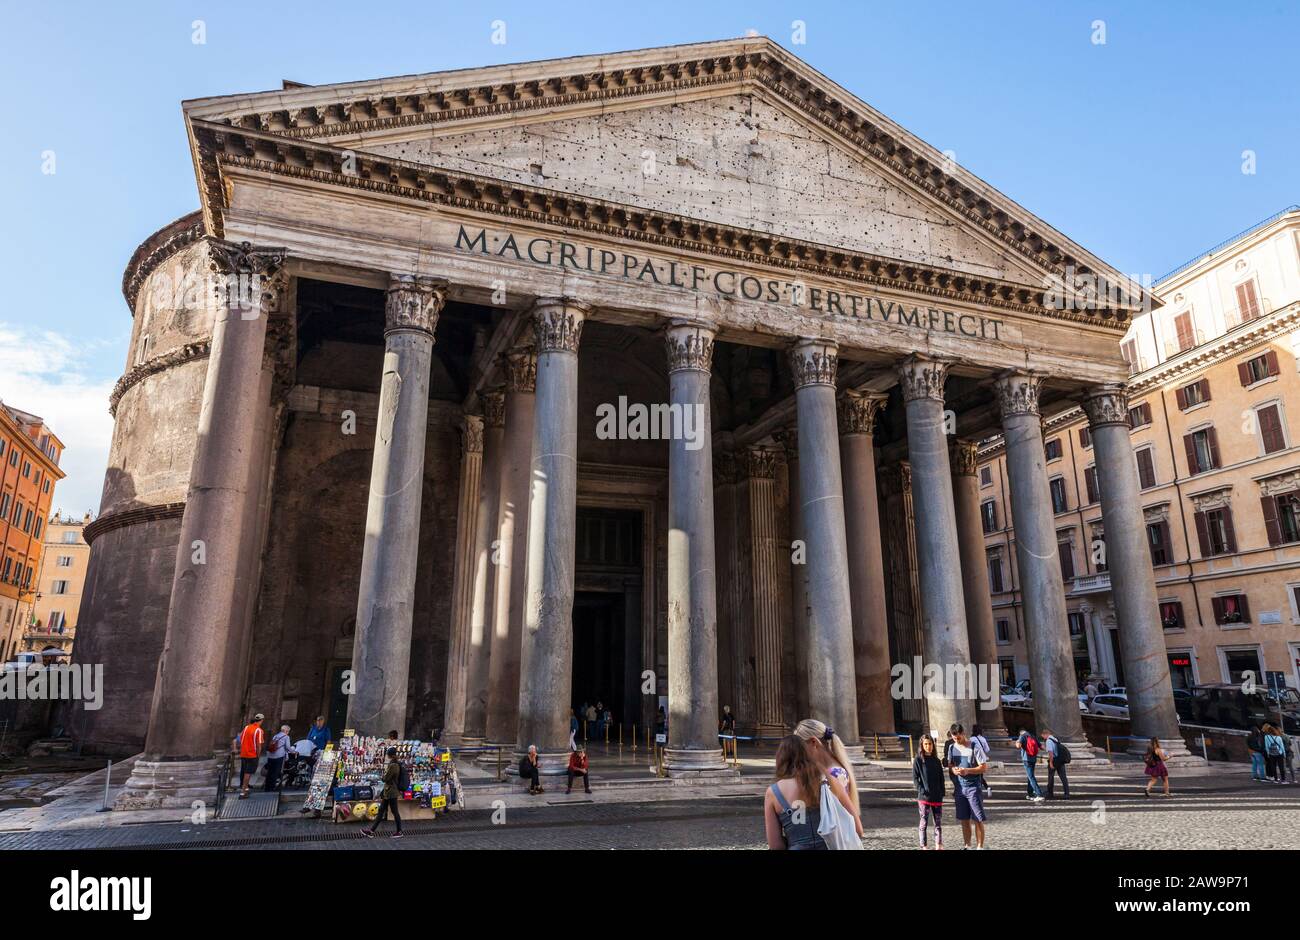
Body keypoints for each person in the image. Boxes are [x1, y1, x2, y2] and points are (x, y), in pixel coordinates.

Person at [763, 735, 859, 850]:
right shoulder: (830, 782)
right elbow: (858, 829)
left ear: (780, 758)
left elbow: (776, 846)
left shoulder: (773, 792)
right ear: (807, 754)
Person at [793, 718, 863, 839]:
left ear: (813, 743)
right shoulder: (834, 768)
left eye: (800, 748)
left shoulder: (833, 774)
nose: (798, 754)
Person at [948, 724, 989, 849]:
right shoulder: (951, 747)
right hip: (959, 788)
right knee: (964, 819)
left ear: (963, 733)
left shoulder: (974, 746)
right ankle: (967, 846)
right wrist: (953, 770)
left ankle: (980, 847)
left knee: (977, 818)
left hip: (973, 787)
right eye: (954, 738)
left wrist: (968, 771)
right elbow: (950, 764)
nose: (956, 740)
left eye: (958, 737)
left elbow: (983, 767)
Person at [361, 747, 403, 839]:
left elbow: (385, 778)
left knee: (394, 812)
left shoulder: (393, 765)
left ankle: (399, 831)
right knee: (381, 811)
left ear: (389, 755)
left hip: (391, 792)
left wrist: (384, 775)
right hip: (388, 791)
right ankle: (371, 831)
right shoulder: (395, 764)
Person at [912, 733, 945, 850]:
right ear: (922, 745)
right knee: (923, 823)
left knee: (938, 823)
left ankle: (939, 845)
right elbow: (915, 778)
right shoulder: (918, 760)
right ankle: (924, 846)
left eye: (930, 744)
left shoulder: (936, 761)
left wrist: (942, 792)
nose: (928, 746)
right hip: (924, 797)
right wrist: (921, 790)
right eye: (926, 744)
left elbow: (941, 778)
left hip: (937, 796)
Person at [237, 713, 265, 799]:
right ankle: (243, 792)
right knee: (248, 773)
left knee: (245, 771)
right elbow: (259, 745)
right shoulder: (259, 730)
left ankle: (245, 788)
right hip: (252, 754)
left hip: (244, 753)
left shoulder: (246, 727)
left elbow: (240, 738)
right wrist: (258, 755)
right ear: (261, 720)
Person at [1014, 729, 1045, 802]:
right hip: (1033, 759)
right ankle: (1030, 793)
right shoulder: (1033, 736)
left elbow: (1018, 746)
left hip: (1026, 759)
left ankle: (1039, 794)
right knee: (1030, 776)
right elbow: (1041, 747)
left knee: (1031, 777)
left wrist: (1017, 741)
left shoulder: (1022, 736)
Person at [1042, 727, 1070, 799]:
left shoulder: (1048, 741)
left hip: (1054, 760)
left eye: (1043, 736)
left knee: (1050, 777)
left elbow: (1050, 753)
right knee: (1063, 778)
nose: (1043, 738)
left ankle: (1050, 793)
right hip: (1060, 760)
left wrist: (1051, 763)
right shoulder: (1055, 739)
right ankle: (1067, 793)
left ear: (1045, 734)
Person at [264, 723, 291, 791]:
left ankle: (267, 787)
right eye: (288, 731)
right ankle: (272, 787)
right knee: (275, 772)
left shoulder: (275, 736)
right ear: (285, 731)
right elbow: (288, 747)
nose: (288, 732)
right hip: (279, 756)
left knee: (270, 771)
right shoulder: (286, 737)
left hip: (270, 756)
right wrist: (293, 751)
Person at [969, 724, 993, 797]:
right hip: (982, 758)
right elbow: (987, 749)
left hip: (974, 759)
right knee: (980, 774)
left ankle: (983, 788)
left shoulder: (971, 739)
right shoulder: (983, 739)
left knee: (976, 775)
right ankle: (987, 787)